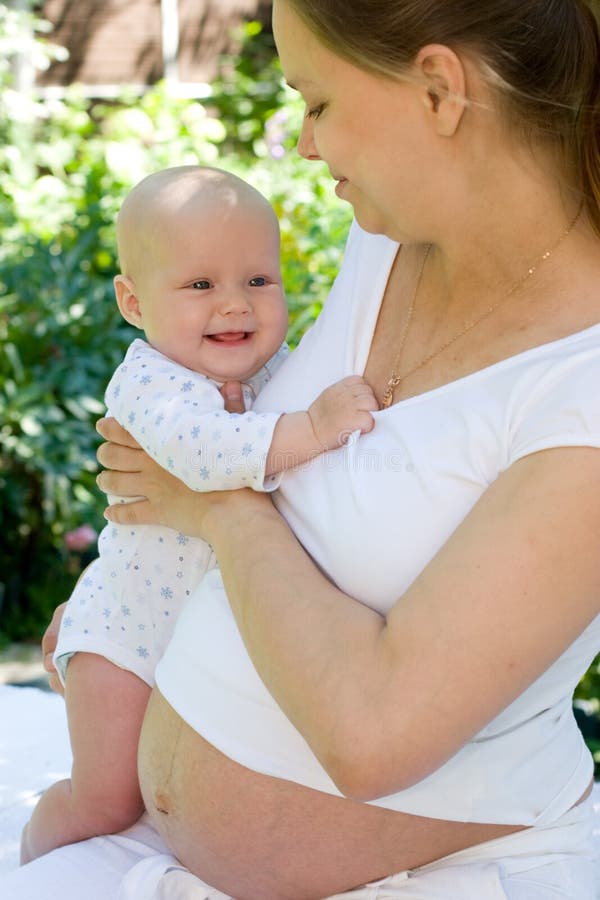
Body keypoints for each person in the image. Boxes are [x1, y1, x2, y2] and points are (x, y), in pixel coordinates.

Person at [4, 0, 600, 897]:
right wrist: (129, 620)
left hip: (438, 879)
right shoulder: (387, 240)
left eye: (317, 102)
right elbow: (320, 504)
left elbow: (372, 738)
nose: (304, 145)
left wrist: (216, 506)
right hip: (153, 843)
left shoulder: (584, 387)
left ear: (439, 90)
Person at [19, 164, 378, 865]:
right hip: (125, 638)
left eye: (258, 280)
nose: (235, 305)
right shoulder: (151, 382)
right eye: (200, 285)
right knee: (106, 799)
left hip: (205, 641)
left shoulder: (278, 374)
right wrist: (312, 427)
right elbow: (206, 455)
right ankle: (33, 855)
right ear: (133, 302)